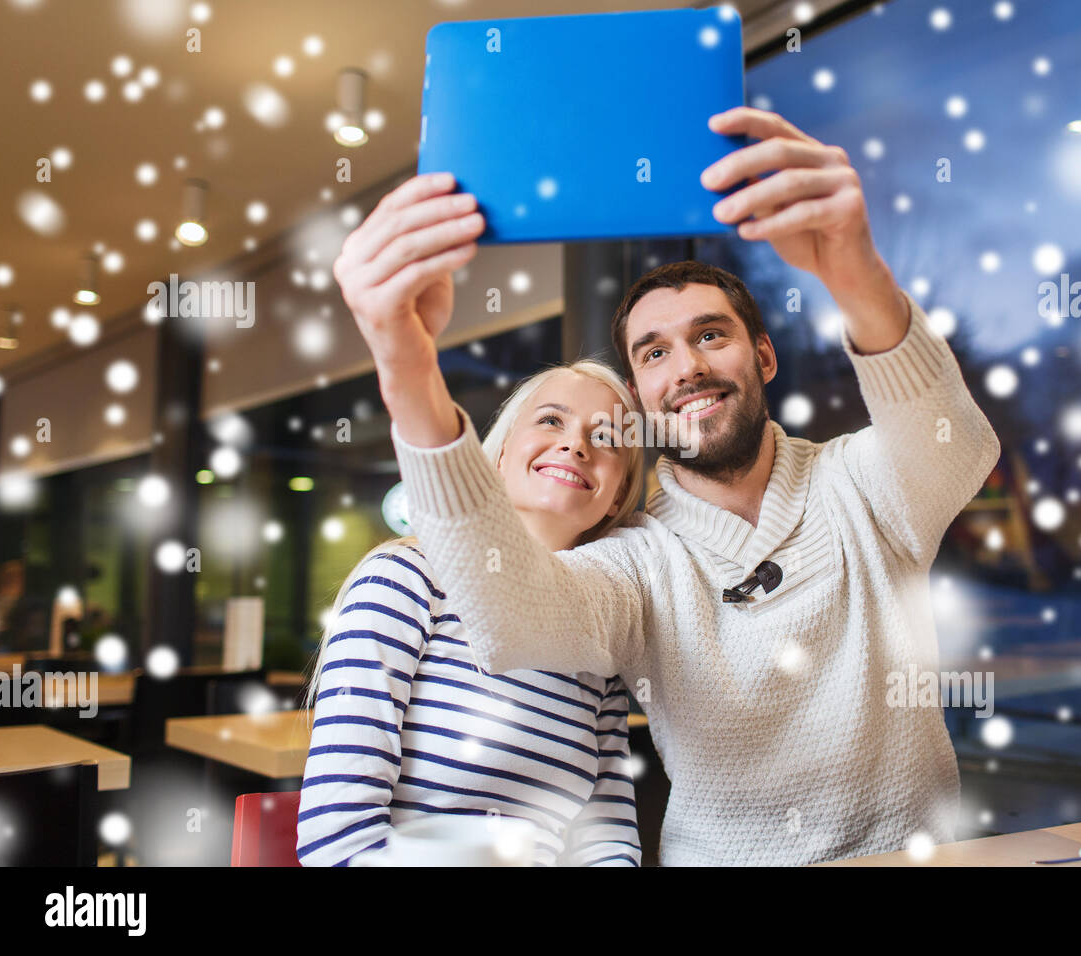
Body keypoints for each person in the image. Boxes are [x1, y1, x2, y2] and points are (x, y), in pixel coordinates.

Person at [336, 106, 1001, 865]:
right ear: (643, 401)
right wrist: (407, 367)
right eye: (653, 354)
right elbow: (510, 614)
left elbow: (957, 449)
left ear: (765, 357)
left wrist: (854, 271)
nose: (685, 367)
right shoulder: (636, 558)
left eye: (710, 336)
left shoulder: (860, 482)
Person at [297, 359, 645, 867]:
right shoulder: (405, 579)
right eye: (551, 420)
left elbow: (607, 842)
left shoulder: (601, 640)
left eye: (608, 438)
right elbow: (337, 839)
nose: (576, 444)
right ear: (499, 455)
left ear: (616, 499)